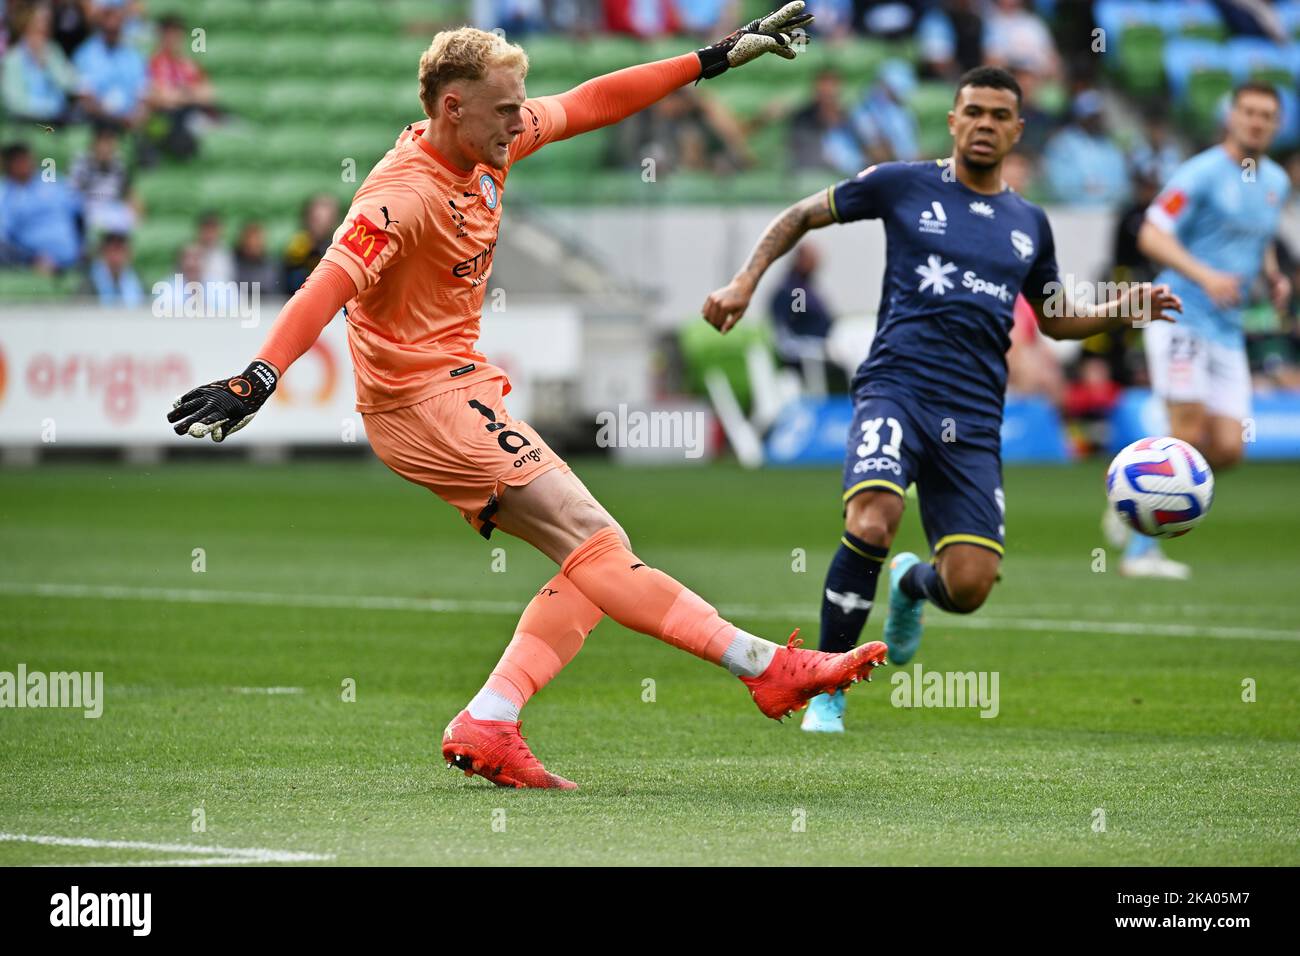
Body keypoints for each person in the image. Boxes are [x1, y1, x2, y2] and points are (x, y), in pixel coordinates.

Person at [167, 9, 890, 790]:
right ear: (453, 107)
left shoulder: (490, 142)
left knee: (593, 555)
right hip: (419, 402)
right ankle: (765, 665)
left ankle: (491, 718)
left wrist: (712, 59)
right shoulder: (400, 198)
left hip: (458, 385)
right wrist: (260, 375)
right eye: (507, 107)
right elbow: (328, 285)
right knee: (593, 539)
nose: (523, 119)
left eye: (521, 105)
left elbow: (595, 101)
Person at [702, 66, 1181, 734]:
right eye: (973, 112)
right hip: (896, 387)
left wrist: (1123, 307)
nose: (985, 125)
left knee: (969, 586)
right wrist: (742, 283)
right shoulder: (901, 184)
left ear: (1017, 129)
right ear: (953, 120)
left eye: (999, 116)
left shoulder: (1028, 224)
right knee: (872, 518)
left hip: (977, 416)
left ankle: (909, 585)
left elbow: (1054, 317)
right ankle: (826, 684)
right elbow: (803, 213)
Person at [1123, 82, 1292, 579]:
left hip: (1227, 327)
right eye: (1248, 112)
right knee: (1187, 430)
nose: (1256, 122)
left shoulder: (1275, 181)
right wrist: (1205, 276)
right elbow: (1151, 233)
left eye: (1266, 115)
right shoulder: (1199, 173)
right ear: (1230, 116)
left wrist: (1272, 274)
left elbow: (1255, 236)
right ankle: (1141, 554)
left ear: (1277, 124)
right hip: (1180, 312)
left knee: (1229, 447)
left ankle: (1131, 493)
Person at [0, 141, 83, 272]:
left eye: (25, 158)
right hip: (35, 265)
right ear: (8, 165)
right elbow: (3, 241)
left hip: (75, 259)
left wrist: (82, 247)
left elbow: (79, 213)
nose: (24, 164)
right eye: (18, 160)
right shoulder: (4, 193)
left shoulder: (53, 181)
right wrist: (30, 259)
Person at [2, 2, 80, 125]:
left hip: (56, 124)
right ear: (26, 24)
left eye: (47, 21)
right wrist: (43, 112)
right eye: (40, 20)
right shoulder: (12, 59)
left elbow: (69, 85)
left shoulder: (54, 51)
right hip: (26, 124)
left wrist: (49, 63)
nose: (44, 26)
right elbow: (14, 102)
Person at [84, 230, 144, 306]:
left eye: (120, 251)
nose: (116, 257)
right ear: (103, 252)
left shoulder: (139, 283)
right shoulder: (88, 286)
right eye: (112, 251)